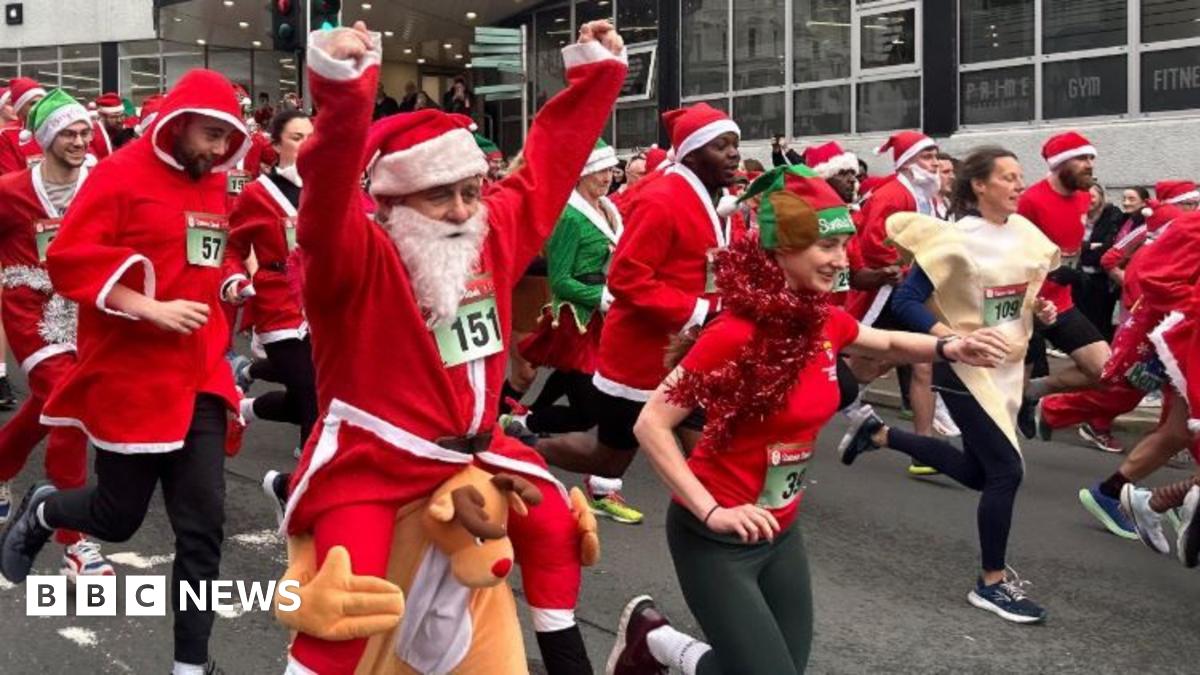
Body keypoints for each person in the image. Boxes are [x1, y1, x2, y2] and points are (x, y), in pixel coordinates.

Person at [275, 20, 627, 674]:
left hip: (473, 448)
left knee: (553, 523)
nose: (465, 209)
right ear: (390, 202)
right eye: (441, 194)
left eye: (471, 191)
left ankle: (567, 653)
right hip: (375, 464)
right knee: (345, 604)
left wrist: (598, 75)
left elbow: (547, 167)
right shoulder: (357, 261)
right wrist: (346, 93)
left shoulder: (488, 237)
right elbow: (323, 204)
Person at [606, 165, 1009, 674]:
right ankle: (659, 643)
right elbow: (652, 424)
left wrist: (952, 344)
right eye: (826, 247)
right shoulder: (735, 334)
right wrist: (711, 511)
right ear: (781, 251)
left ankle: (654, 643)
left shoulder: (818, 319)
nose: (841, 260)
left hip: (782, 530)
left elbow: (881, 340)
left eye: (844, 246)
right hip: (716, 536)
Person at [0, 69, 250, 675]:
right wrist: (147, 306)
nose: (219, 150)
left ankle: (191, 665)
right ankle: (44, 509)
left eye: (228, 138)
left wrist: (231, 281)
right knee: (118, 517)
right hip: (132, 378)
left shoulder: (214, 183)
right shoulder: (118, 175)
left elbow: (211, 251)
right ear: (179, 121)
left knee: (202, 529)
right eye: (210, 135)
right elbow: (68, 258)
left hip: (200, 378)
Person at [840, 146, 1061, 623]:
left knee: (982, 475)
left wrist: (1041, 311)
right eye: (1007, 177)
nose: (1019, 185)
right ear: (979, 186)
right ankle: (992, 584)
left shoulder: (1024, 233)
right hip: (963, 369)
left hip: (1007, 368)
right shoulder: (957, 237)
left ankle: (879, 434)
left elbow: (1015, 299)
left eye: (1020, 176)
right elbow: (908, 299)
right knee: (1006, 472)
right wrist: (950, 339)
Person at [535, 102, 745, 525]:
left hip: (688, 355)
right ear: (690, 153)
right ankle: (522, 450)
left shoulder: (710, 198)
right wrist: (699, 311)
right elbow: (626, 280)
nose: (734, 155)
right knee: (609, 461)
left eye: (735, 145)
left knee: (706, 455)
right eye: (721, 146)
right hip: (640, 359)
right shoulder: (663, 198)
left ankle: (718, 527)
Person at [0, 89, 115, 579]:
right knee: (68, 405)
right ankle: (74, 541)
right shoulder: (10, 191)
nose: (79, 141)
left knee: (47, 406)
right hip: (30, 306)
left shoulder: (102, 182)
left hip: (88, 307)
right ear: (45, 138)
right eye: (68, 133)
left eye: (84, 132)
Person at [220, 109, 317, 474]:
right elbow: (232, 246)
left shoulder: (331, 188)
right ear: (275, 145)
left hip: (325, 303)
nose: (306, 145)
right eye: (296, 138)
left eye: (311, 138)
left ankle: (245, 409)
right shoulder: (257, 195)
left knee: (315, 396)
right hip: (281, 302)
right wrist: (235, 280)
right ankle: (307, 491)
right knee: (312, 394)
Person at [842, 130, 944, 476]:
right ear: (907, 161)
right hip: (887, 292)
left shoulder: (927, 195)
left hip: (915, 292)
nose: (934, 163)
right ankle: (817, 408)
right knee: (863, 365)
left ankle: (924, 448)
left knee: (923, 362)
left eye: (935, 156)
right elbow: (873, 239)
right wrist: (901, 268)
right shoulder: (892, 192)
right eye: (926, 157)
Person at [511, 140, 622, 437]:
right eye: (600, 170)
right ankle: (523, 425)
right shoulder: (569, 217)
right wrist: (601, 297)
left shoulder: (609, 210)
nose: (607, 177)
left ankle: (522, 417)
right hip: (578, 321)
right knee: (587, 413)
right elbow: (560, 281)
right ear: (582, 173)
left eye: (610, 170)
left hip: (602, 318)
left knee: (569, 377)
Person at [1016, 132, 1111, 437]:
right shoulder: (1031, 200)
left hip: (1063, 302)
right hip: (1026, 304)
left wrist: (1073, 273)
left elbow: (1072, 245)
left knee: (1106, 371)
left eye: (1091, 158)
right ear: (1060, 164)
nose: (1089, 165)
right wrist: (1045, 273)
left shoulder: (1084, 196)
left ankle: (1033, 392)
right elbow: (1013, 252)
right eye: (1082, 158)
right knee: (1008, 390)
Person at [1075, 182, 1125, 342]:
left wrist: (1083, 250)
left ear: (1101, 198)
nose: (1088, 200)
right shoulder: (1076, 214)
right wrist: (1088, 246)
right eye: (1084, 196)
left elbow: (1107, 248)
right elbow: (1066, 245)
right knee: (1081, 320)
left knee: (1101, 321)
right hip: (1079, 276)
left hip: (1103, 278)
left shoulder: (1112, 215)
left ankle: (1103, 358)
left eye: (1092, 196)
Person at [0, 77, 47, 175]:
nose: (39, 107)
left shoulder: (57, 130)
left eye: (43, 102)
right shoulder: (6, 135)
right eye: (33, 103)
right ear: (19, 109)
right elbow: (11, 180)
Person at [89, 91, 135, 160]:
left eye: (122, 116)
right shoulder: (92, 134)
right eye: (114, 117)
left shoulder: (128, 131)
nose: (119, 120)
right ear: (102, 116)